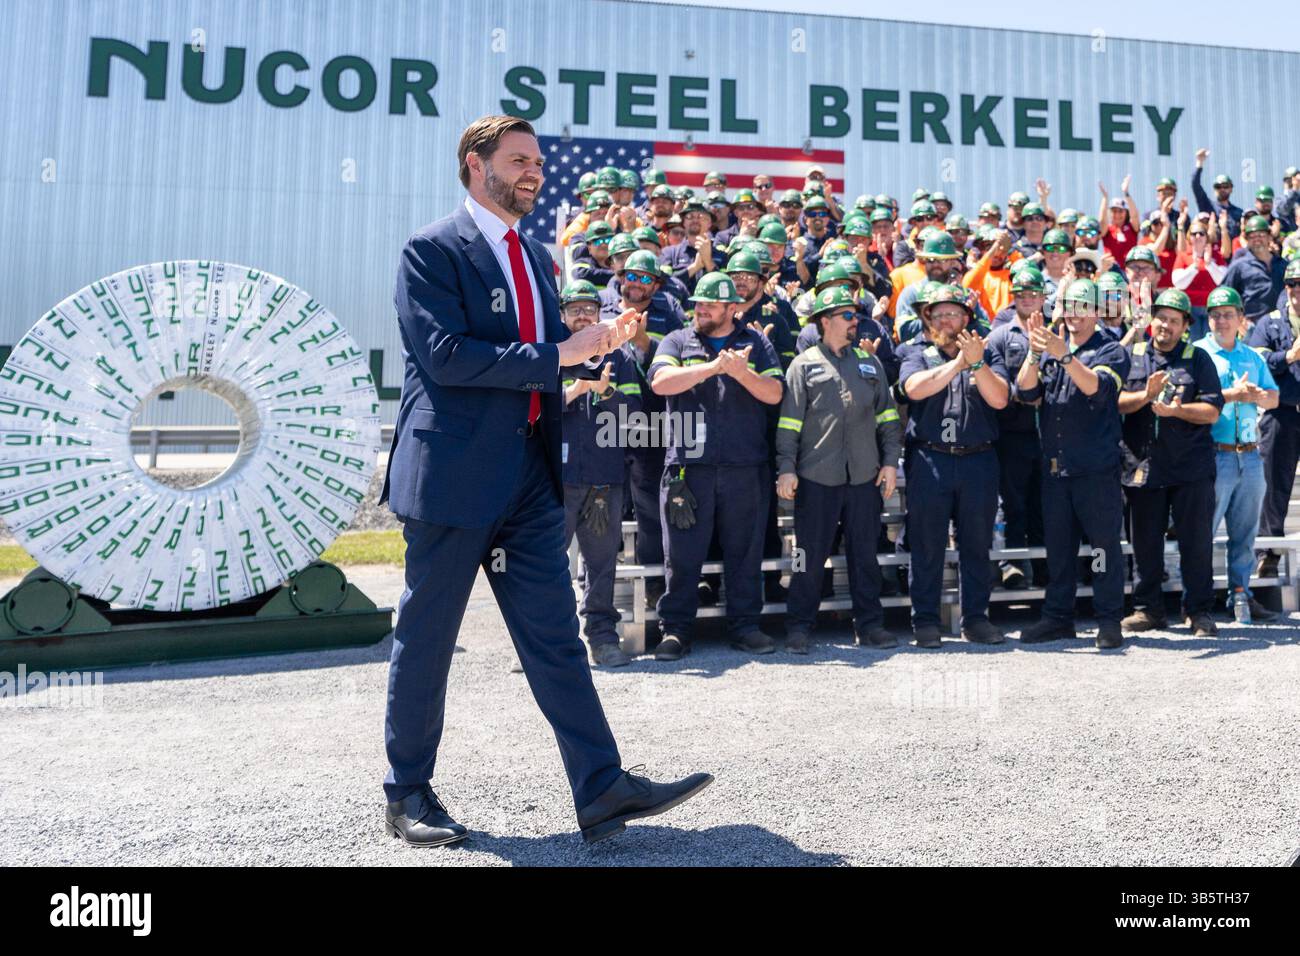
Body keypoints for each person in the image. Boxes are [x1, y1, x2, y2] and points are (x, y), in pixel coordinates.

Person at [380, 115, 711, 846]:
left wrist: (583, 354)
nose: (533, 172)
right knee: (429, 638)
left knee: (556, 637)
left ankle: (600, 786)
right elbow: (445, 357)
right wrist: (559, 355)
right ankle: (407, 792)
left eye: (537, 162)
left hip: (529, 473)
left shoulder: (536, 257)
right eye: (519, 160)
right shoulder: (431, 250)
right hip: (453, 479)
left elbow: (535, 359)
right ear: (475, 164)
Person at [648, 271, 785, 660]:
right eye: (697, 304)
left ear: (731, 309)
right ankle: (676, 631)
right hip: (689, 469)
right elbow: (660, 383)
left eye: (709, 305)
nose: (700, 311)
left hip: (745, 466)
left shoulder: (755, 342)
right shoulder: (678, 339)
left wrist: (743, 373)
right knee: (683, 553)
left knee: (745, 551)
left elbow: (774, 393)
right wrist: (712, 368)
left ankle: (745, 626)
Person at [776, 286, 903, 653]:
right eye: (848, 316)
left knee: (865, 556)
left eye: (857, 316)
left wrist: (891, 462)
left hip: (864, 477)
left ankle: (871, 625)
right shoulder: (802, 366)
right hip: (816, 479)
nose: (855, 323)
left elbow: (888, 418)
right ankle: (799, 626)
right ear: (825, 321)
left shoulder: (869, 363)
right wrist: (787, 468)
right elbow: (788, 425)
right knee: (807, 558)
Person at [1014, 279, 1132, 649]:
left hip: (1096, 472)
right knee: (1059, 551)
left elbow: (1097, 388)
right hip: (1056, 470)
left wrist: (1066, 355)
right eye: (1067, 306)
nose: (1073, 315)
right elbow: (1025, 392)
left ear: (1096, 312)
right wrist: (1035, 354)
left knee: (1101, 550)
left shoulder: (1111, 350)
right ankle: (1058, 618)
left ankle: (1108, 619)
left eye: (1081, 308)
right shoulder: (1049, 347)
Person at [897, 285, 1009, 647]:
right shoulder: (914, 351)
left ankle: (976, 619)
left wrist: (976, 363)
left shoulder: (988, 351)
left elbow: (1000, 398)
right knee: (927, 544)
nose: (947, 320)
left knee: (976, 544)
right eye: (939, 314)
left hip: (978, 458)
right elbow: (913, 389)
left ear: (967, 318)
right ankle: (925, 622)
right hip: (931, 459)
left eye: (954, 313)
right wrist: (958, 364)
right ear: (927, 319)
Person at [1117, 288, 1224, 637]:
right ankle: (1148, 610)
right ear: (1151, 319)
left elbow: (1211, 411)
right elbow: (1115, 402)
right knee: (1145, 543)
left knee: (1196, 543)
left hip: (1189, 467)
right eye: (1161, 317)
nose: (1165, 325)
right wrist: (1144, 396)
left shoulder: (1199, 358)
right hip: (1142, 466)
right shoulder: (1130, 354)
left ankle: (1199, 612)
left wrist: (1178, 411)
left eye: (1173, 320)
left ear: (1184, 326)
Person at [557, 280, 642, 667]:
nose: (583, 316)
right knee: (547, 562)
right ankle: (547, 642)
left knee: (602, 562)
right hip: (555, 480)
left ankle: (603, 637)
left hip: (605, 478)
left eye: (589, 309)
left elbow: (636, 418)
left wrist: (607, 394)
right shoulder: (552, 354)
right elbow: (528, 409)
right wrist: (575, 390)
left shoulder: (619, 356)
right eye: (575, 309)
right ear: (563, 315)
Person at [1196, 286, 1279, 622]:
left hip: (1250, 455)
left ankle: (1241, 594)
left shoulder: (1252, 356)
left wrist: (1258, 396)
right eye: (1215, 314)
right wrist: (1233, 394)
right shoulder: (1199, 353)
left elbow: (1274, 397)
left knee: (1244, 535)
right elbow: (1199, 399)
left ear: (1241, 320)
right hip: (1215, 455)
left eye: (1228, 314)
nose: (1221, 320)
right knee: (1202, 532)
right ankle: (1197, 601)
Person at [985, 267, 1047, 590]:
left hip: (1049, 435)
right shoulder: (999, 336)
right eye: (1020, 294)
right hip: (1012, 434)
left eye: (1032, 294)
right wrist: (1025, 396)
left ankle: (1044, 568)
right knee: (1013, 503)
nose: (1026, 299)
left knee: (1045, 504)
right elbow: (1000, 387)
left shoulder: (1056, 333)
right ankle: (1012, 564)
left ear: (1043, 297)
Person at [1247, 258, 1300, 578]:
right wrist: (1289, 355)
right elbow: (1258, 359)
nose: (1297, 292)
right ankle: (1269, 553)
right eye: (1293, 284)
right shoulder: (1271, 322)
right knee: (1273, 485)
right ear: (1286, 288)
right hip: (1282, 414)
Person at [1224, 215, 1287, 325]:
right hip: (1252, 327)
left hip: (1282, 326)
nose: (1257, 239)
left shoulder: (1283, 265)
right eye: (1252, 236)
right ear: (1247, 239)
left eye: (1261, 235)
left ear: (1269, 237)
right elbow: (1225, 295)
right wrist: (1238, 322)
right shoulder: (1239, 266)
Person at [1191, 148, 1243, 240]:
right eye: (1218, 186)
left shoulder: (1239, 213)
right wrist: (1199, 162)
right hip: (1214, 252)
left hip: (1234, 253)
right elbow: (1196, 185)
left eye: (1226, 186)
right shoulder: (1208, 206)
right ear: (1214, 189)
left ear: (1231, 189)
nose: (1222, 189)